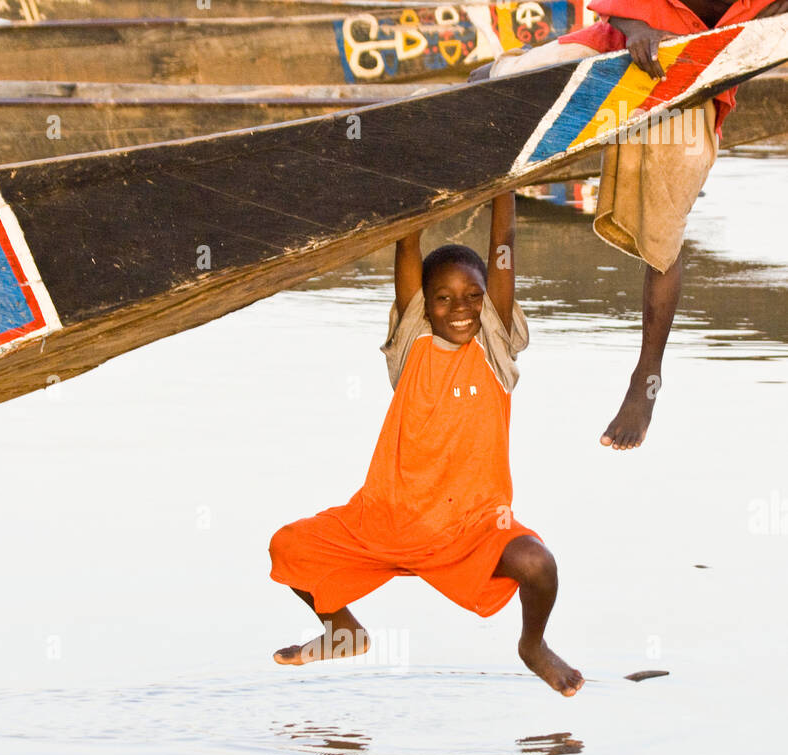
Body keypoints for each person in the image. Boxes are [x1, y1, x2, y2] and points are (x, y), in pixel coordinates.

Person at [268, 193, 584, 697]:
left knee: (537, 563)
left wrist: (507, 183)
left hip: (472, 527)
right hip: (386, 520)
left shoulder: (494, 347)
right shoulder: (410, 346)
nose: (460, 308)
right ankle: (343, 630)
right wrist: (411, 185)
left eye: (473, 296)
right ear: (423, 305)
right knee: (289, 546)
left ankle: (533, 645)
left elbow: (502, 243)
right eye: (443, 298)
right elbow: (406, 249)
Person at [475, 0, 788, 450]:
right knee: (493, 86)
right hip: (613, 52)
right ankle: (492, 74)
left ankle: (647, 377)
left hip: (692, 89)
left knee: (665, 232)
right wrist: (637, 26)